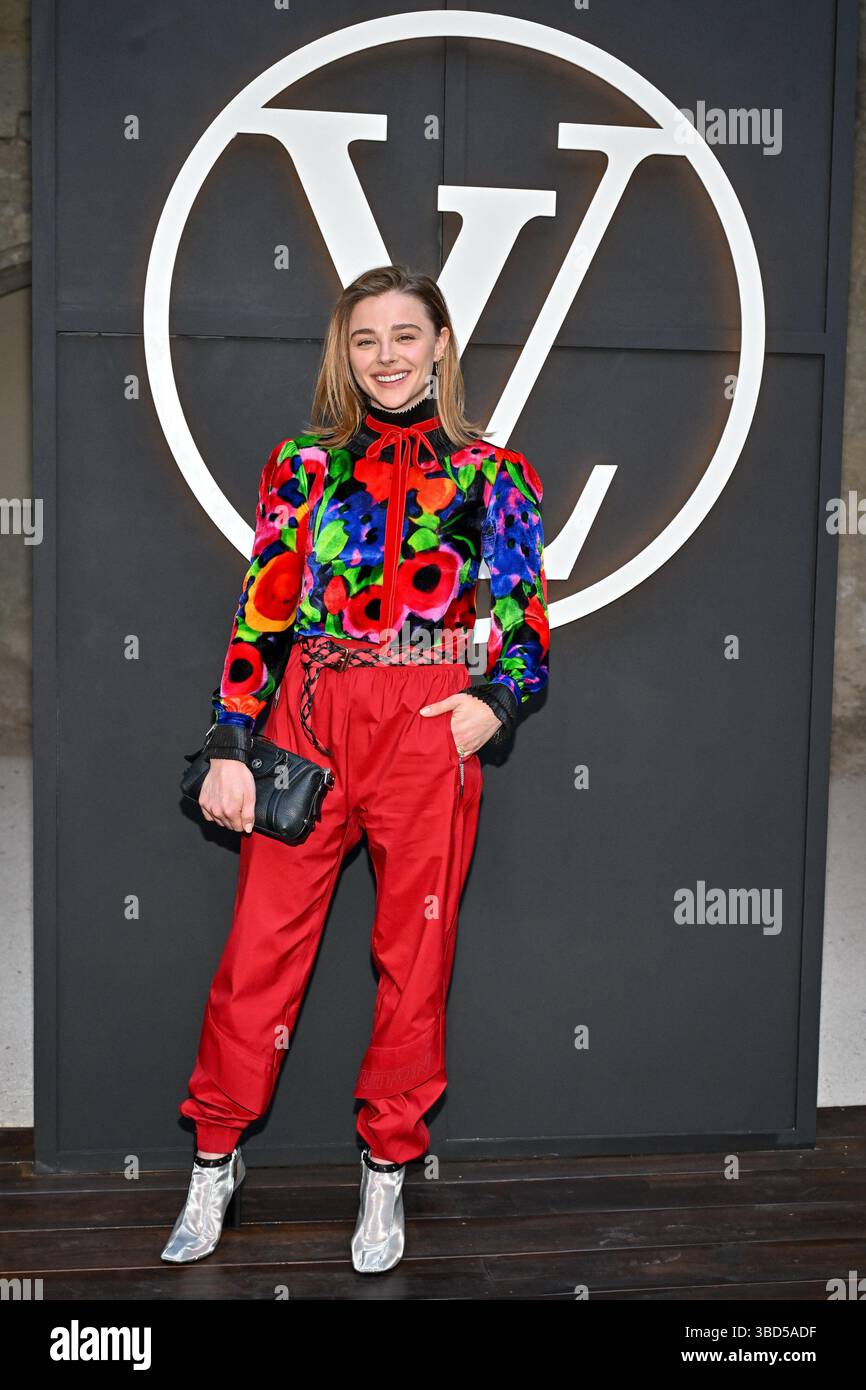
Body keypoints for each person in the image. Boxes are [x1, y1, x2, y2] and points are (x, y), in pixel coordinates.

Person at [161, 263, 550, 1274]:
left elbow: (522, 624)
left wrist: (489, 704)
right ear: (346, 350)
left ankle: (385, 1172)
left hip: (426, 726)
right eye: (366, 338)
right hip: (308, 716)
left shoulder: (491, 476)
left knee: (411, 965)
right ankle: (214, 1155)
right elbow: (263, 606)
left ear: (439, 345)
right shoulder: (299, 464)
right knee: (257, 955)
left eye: (404, 335)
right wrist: (231, 741)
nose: (386, 357)